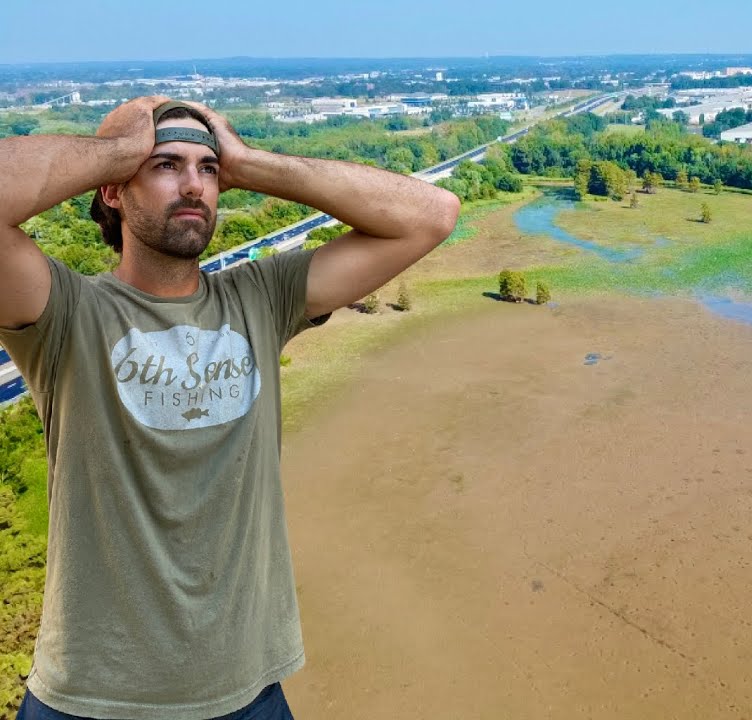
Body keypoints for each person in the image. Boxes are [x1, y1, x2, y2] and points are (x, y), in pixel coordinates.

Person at [0, 96, 460, 719]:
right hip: (90, 699)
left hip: (246, 694)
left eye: (207, 170)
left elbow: (431, 215)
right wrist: (117, 150)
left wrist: (250, 161)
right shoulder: (67, 313)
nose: (194, 186)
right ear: (111, 191)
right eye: (164, 165)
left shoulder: (261, 299)